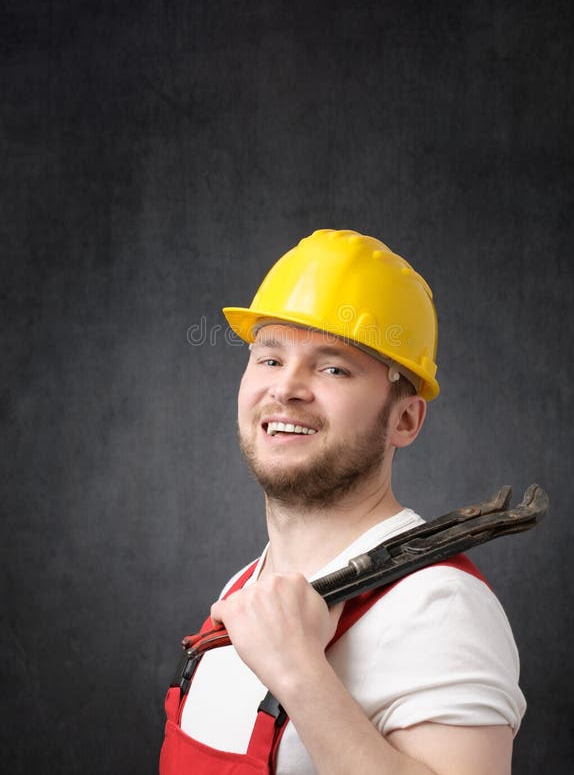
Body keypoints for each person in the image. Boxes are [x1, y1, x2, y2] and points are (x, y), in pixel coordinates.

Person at [160, 229, 525, 775]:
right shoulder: (243, 592)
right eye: (269, 358)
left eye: (333, 368)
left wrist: (300, 673)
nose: (286, 389)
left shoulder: (438, 606)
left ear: (404, 419)